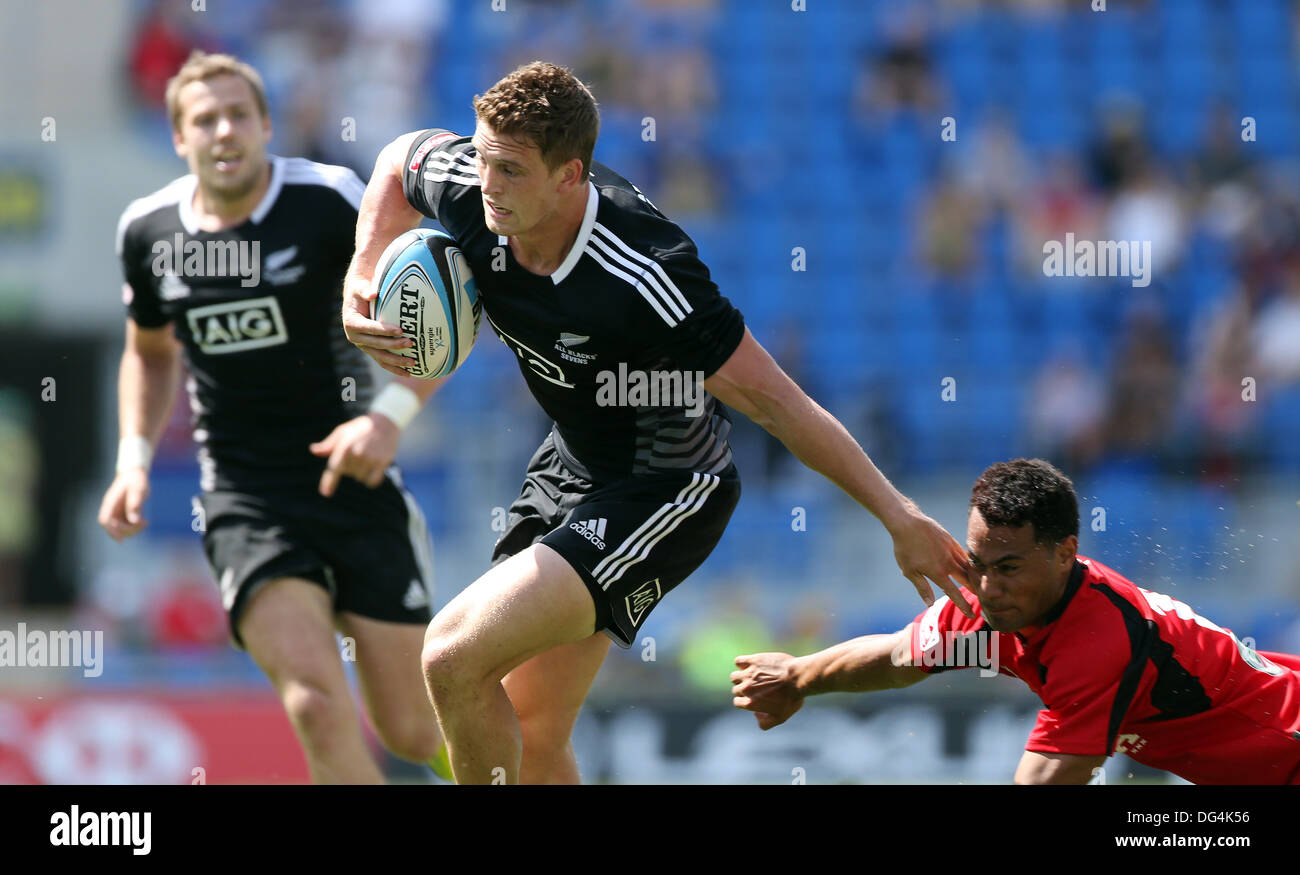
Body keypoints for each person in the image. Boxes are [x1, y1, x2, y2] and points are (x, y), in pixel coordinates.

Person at [342, 61, 974, 785]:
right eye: (484, 159)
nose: (487, 183)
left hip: (668, 484)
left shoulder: (649, 271)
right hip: (572, 464)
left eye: (511, 170)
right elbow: (396, 161)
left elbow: (779, 403)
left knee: (451, 655)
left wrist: (899, 515)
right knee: (532, 731)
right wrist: (361, 277)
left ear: (569, 174)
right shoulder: (472, 190)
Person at [100, 51, 448, 784]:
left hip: (352, 478)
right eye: (204, 119)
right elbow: (151, 352)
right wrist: (132, 457)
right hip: (245, 496)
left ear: (264, 125)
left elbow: (438, 310)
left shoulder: (329, 202)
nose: (223, 131)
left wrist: (386, 418)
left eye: (237, 115)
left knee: (415, 731)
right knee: (317, 704)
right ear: (178, 138)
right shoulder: (148, 232)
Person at [731, 458, 1300, 785]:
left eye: (1006, 568)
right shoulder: (993, 604)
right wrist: (799, 674)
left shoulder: (1098, 639)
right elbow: (901, 658)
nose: (985, 587)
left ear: (1064, 551)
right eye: (978, 565)